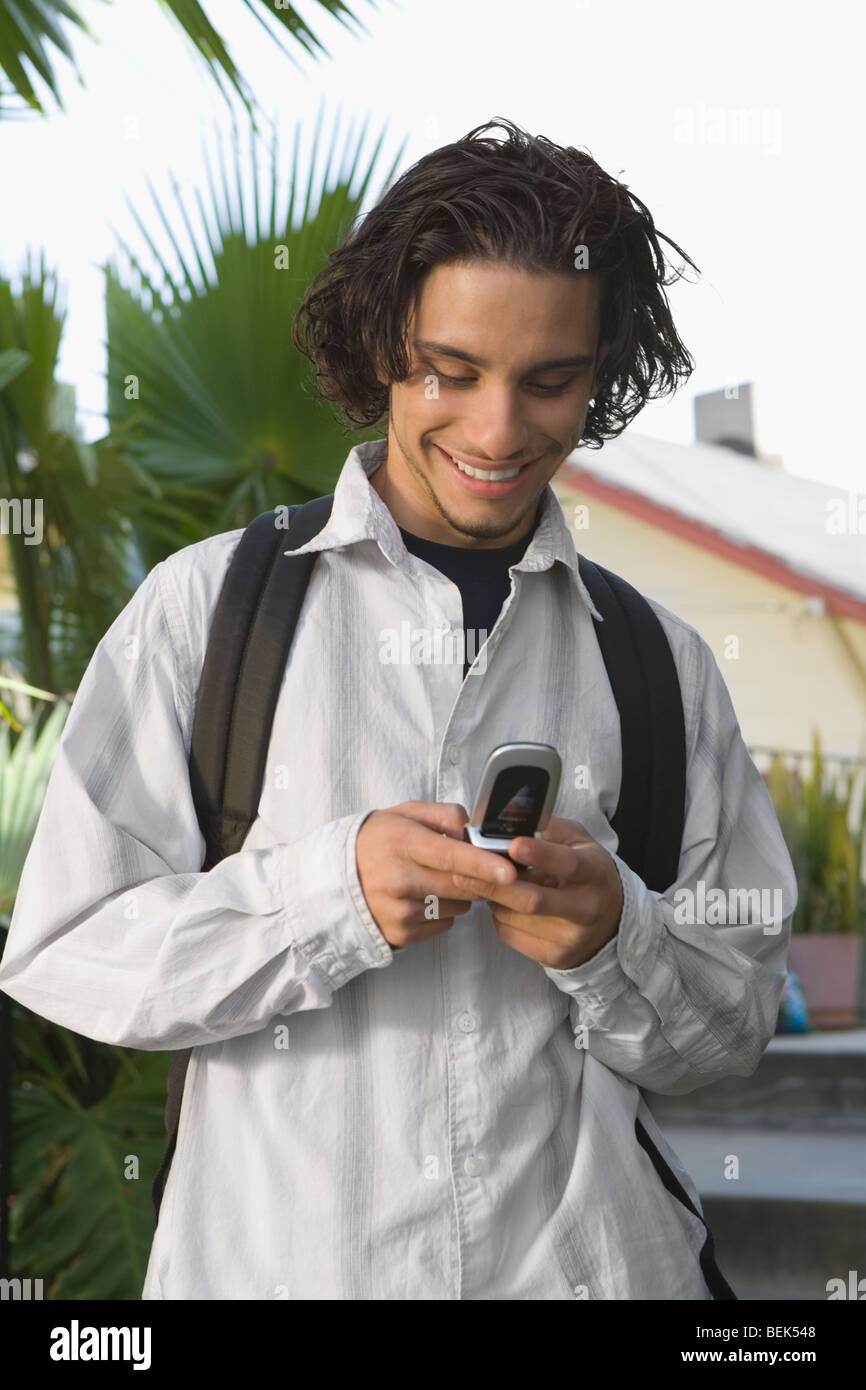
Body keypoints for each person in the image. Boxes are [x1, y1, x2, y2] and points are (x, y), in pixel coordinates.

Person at [0, 118, 797, 1300]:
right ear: (380, 346)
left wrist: (611, 936)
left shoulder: (659, 663)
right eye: (450, 370)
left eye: (549, 381)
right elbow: (66, 953)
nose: (495, 431)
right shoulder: (204, 612)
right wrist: (331, 894)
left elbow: (729, 1026)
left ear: (602, 372)